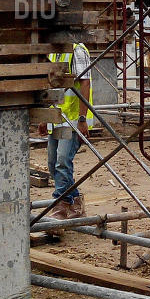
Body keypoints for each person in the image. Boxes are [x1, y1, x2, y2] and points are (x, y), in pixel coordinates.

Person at [48, 42, 94, 218]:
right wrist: (45, 116)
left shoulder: (77, 51)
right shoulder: (53, 51)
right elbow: (51, 86)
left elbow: (85, 83)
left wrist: (82, 119)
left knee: (62, 161)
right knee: (53, 163)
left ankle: (61, 205)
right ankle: (75, 199)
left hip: (72, 120)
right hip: (56, 118)